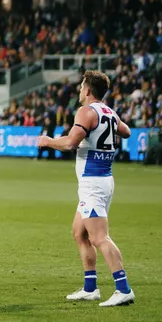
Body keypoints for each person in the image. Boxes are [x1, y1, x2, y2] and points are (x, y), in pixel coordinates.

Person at [37, 70, 135, 306]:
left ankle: (123, 288)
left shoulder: (86, 111)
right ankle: (90, 288)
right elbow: (126, 131)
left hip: (93, 181)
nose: (80, 91)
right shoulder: (109, 112)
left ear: (88, 90)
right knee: (79, 233)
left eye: (82, 87)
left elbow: (70, 143)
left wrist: (48, 141)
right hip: (103, 179)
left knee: (100, 237)